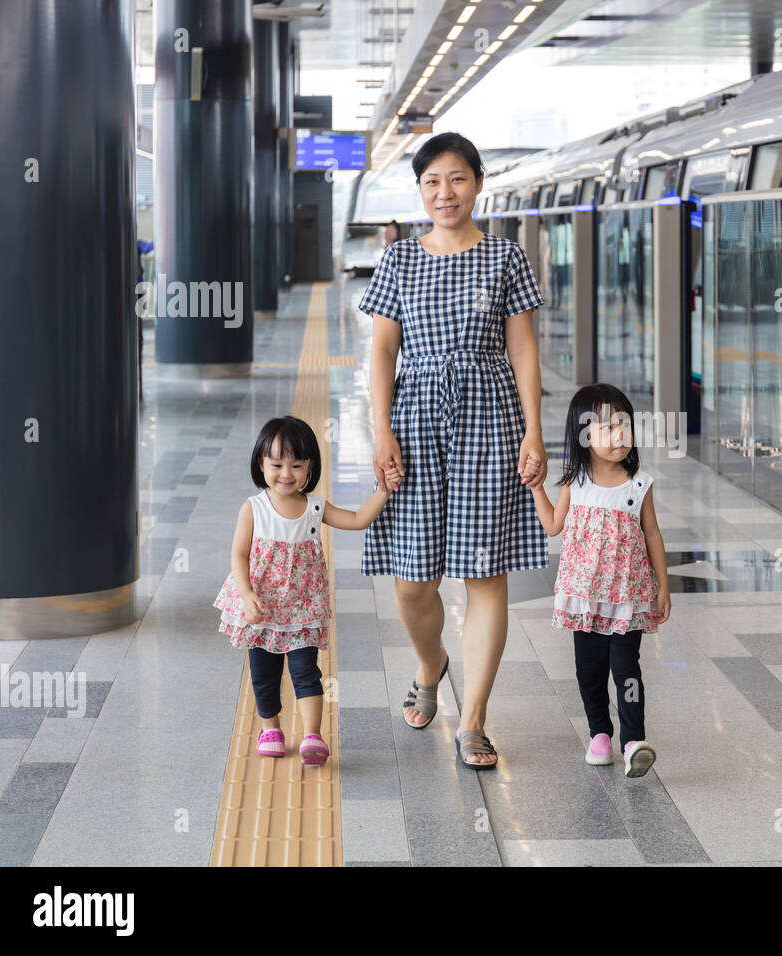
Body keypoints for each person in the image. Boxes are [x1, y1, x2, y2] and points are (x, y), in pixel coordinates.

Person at [357, 131, 549, 770]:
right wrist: (380, 429)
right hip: (413, 418)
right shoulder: (400, 260)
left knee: (484, 572)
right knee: (414, 582)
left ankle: (474, 720)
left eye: (458, 178)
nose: (445, 192)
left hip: (489, 415)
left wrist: (533, 427)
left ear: (478, 183)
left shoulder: (504, 258)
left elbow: (522, 348)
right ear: (420, 189)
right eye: (433, 181)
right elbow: (382, 351)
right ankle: (430, 662)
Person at [213, 416, 401, 765]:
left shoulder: (316, 507)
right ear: (261, 464)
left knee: (306, 672)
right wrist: (247, 593)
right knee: (264, 674)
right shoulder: (253, 508)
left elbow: (358, 519)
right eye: (277, 464)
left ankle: (312, 735)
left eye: (297, 465)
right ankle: (270, 728)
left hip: (302, 610)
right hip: (263, 609)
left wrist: (383, 491)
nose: (287, 473)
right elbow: (238, 555)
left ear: (310, 466)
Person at [527, 384, 670, 778]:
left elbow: (653, 534)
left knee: (627, 669)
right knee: (588, 669)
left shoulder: (639, 483)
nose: (620, 434)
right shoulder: (576, 481)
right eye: (607, 427)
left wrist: (663, 584)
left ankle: (633, 740)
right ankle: (599, 734)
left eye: (624, 424)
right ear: (584, 436)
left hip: (629, 596)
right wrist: (538, 488)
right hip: (585, 597)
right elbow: (553, 526)